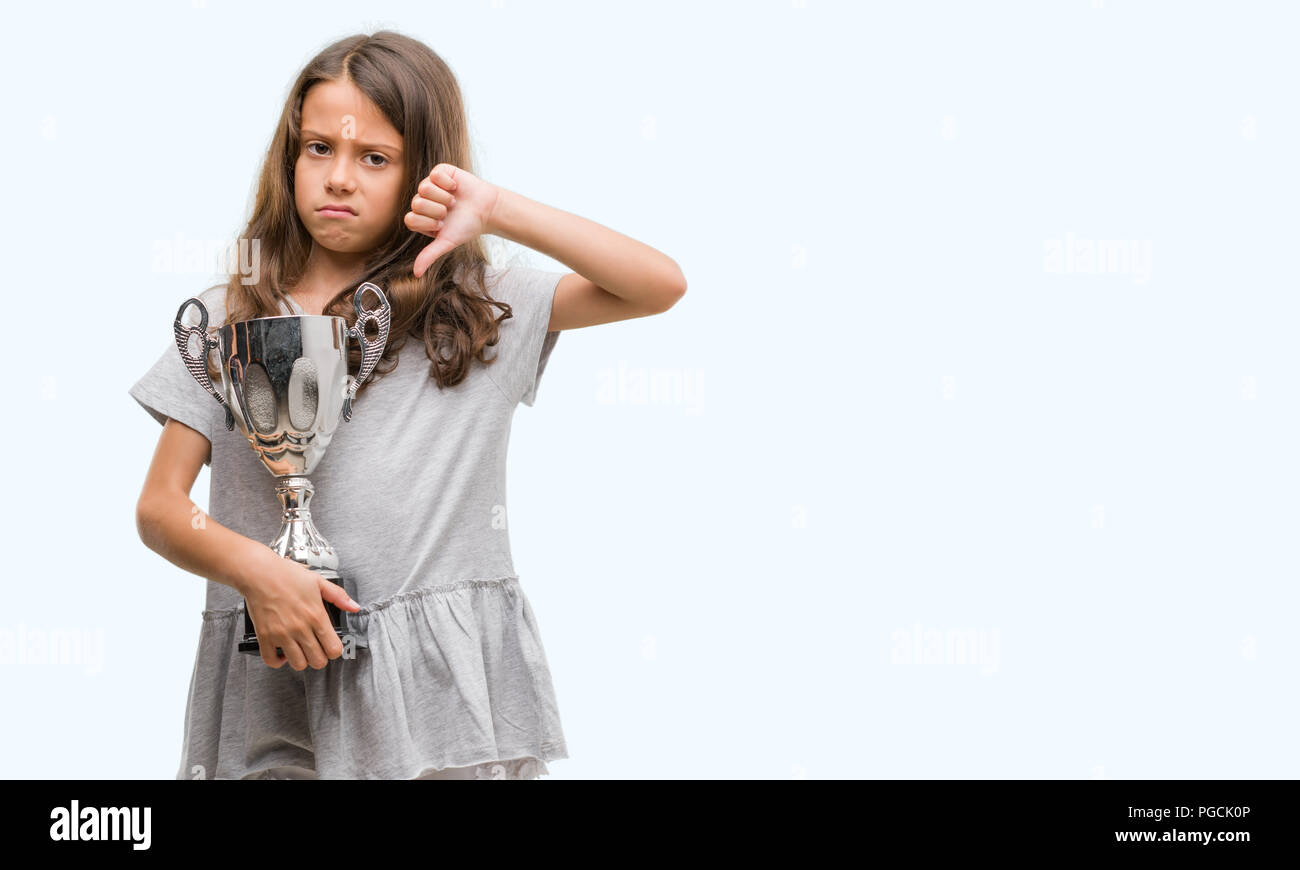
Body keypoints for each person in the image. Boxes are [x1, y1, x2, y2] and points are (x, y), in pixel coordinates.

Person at [130, 30, 686, 780]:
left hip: (440, 712)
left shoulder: (482, 312)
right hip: (279, 687)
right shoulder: (228, 319)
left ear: (424, 173)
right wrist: (258, 572)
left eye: (375, 158)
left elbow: (657, 284)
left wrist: (493, 208)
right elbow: (162, 508)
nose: (338, 178)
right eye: (318, 148)